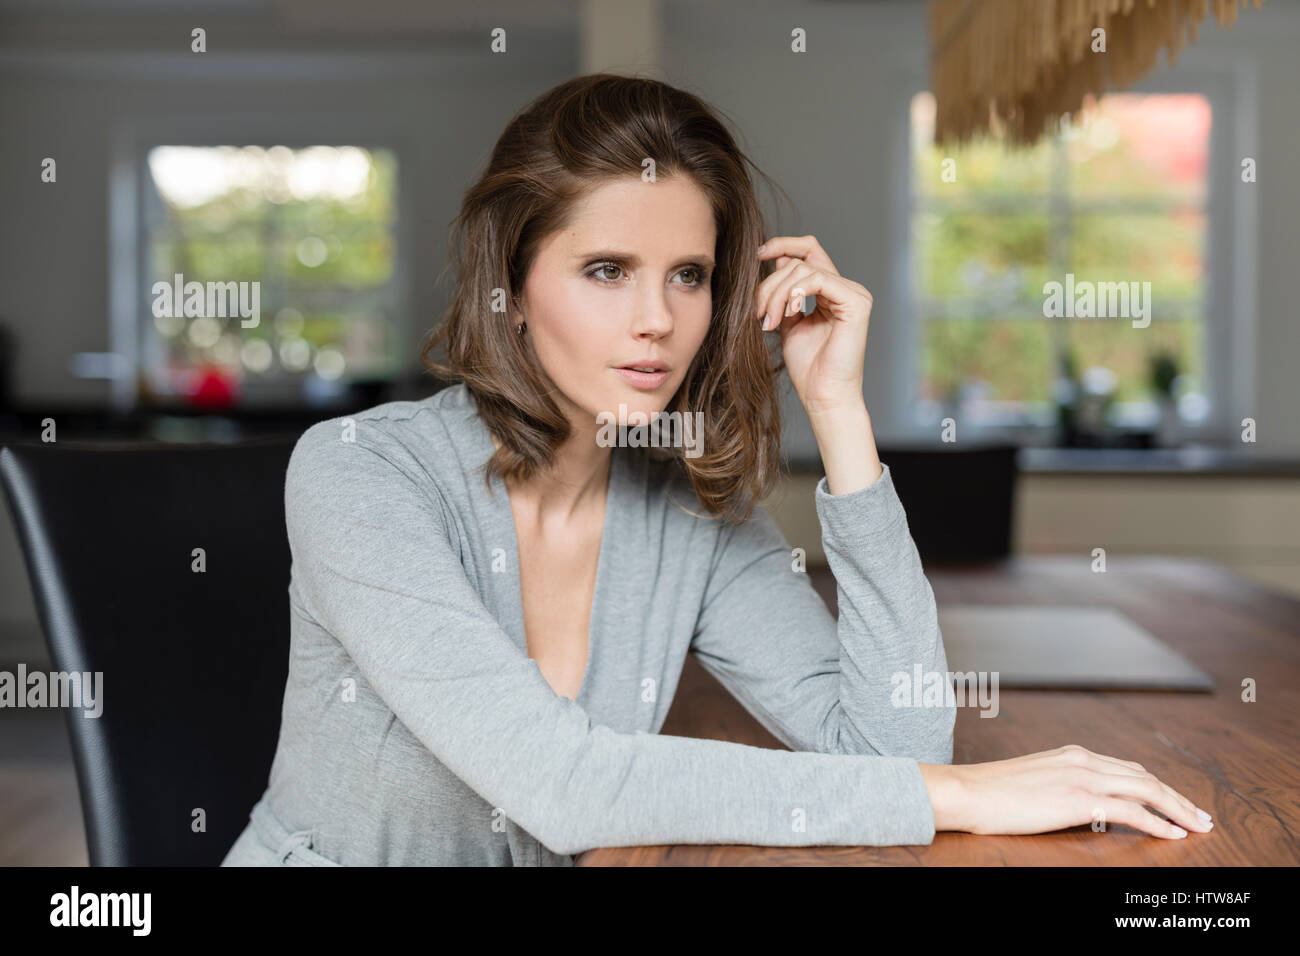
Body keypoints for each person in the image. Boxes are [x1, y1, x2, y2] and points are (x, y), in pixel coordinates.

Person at [221, 73, 1211, 866]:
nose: (657, 318)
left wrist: (839, 411)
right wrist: (955, 797)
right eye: (606, 270)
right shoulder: (362, 473)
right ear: (510, 288)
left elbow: (898, 751)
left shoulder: (685, 506)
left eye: (688, 274)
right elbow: (562, 786)